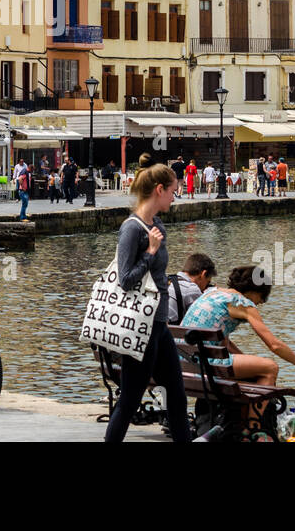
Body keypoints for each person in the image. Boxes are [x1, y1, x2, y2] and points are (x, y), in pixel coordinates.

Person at [178, 265, 295, 440]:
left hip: (184, 364)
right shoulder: (242, 303)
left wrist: (247, 359)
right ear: (254, 290)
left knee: (256, 369)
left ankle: (242, 426)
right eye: (263, 296)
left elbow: (223, 342)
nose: (261, 302)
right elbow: (274, 345)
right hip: (205, 365)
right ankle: (253, 430)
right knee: (270, 368)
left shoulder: (212, 293)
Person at [104, 163, 190, 443]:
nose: (175, 197)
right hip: (141, 325)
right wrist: (150, 253)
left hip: (159, 323)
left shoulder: (157, 224)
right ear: (159, 190)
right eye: (173, 192)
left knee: (177, 394)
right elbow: (125, 279)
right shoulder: (132, 229)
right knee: (130, 398)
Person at [165, 252, 215, 324]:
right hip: (170, 333)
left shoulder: (169, 280)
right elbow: (201, 321)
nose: (206, 287)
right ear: (203, 274)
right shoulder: (191, 288)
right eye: (208, 282)